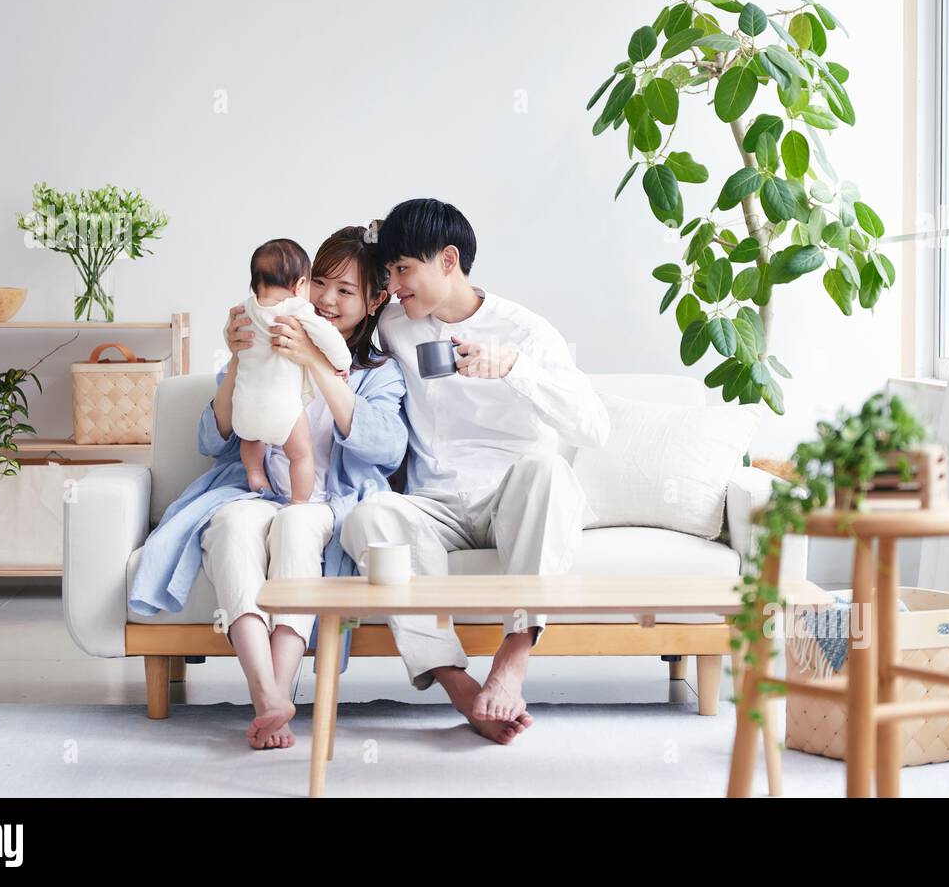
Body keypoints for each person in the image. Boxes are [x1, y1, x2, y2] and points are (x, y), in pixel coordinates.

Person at [340, 198, 610, 745]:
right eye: (388, 273)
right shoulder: (395, 323)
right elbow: (336, 310)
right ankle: (458, 683)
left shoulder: (525, 331)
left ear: (448, 259)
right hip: (435, 503)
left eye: (402, 270)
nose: (392, 285)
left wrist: (514, 369)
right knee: (369, 516)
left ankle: (513, 659)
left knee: (551, 472)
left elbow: (594, 427)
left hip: (509, 496)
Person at [129, 224, 407, 749]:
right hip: (253, 491)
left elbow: (387, 451)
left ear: (374, 301)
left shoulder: (380, 373)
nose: (326, 300)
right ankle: (266, 696)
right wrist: (237, 359)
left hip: (326, 501)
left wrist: (315, 363)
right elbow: (215, 436)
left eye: (345, 292)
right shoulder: (263, 344)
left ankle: (279, 691)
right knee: (231, 525)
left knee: (297, 529)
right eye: (320, 282)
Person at [232, 238, 353, 502]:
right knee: (301, 454)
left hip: (244, 405)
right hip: (282, 408)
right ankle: (299, 502)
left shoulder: (244, 309)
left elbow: (230, 336)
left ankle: (254, 471)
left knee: (251, 439)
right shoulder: (295, 308)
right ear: (299, 285)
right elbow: (327, 336)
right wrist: (342, 363)